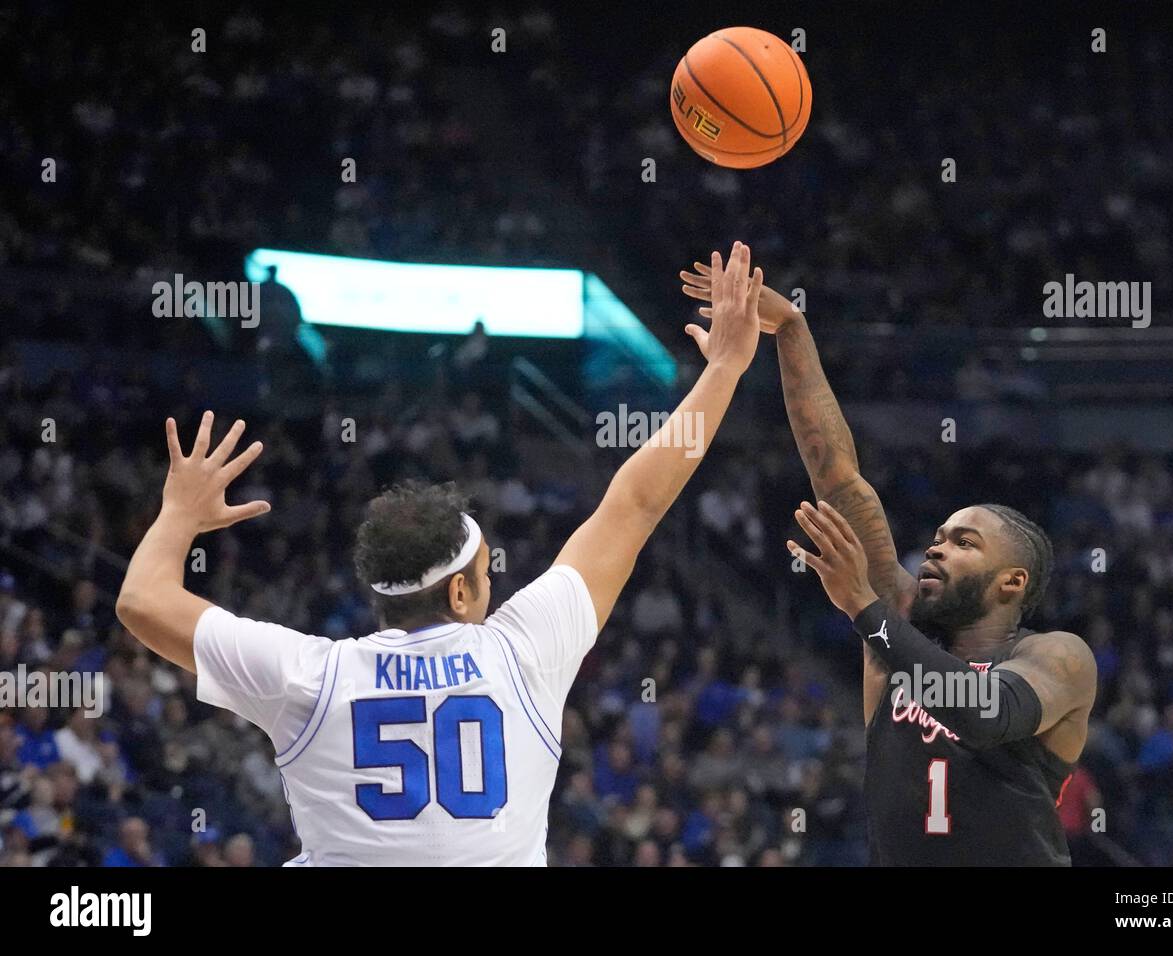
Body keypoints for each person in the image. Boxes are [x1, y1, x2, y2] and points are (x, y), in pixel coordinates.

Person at [115, 242, 764, 866]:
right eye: (487, 574)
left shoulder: (309, 677)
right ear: (458, 592)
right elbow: (636, 503)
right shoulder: (523, 653)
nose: (494, 587)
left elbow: (142, 600)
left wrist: (178, 514)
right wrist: (724, 368)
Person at [682, 254, 1096, 865]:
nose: (936, 546)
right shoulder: (897, 616)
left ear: (1013, 581)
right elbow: (836, 474)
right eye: (939, 534)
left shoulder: (1055, 656)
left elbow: (986, 714)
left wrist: (864, 607)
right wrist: (792, 331)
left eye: (964, 542)